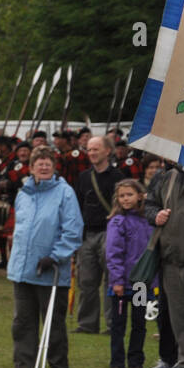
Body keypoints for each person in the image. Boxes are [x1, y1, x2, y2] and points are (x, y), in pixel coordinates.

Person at [7, 146, 83, 368]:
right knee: (23, 321)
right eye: (39, 162)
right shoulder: (23, 194)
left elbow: (73, 230)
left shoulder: (65, 193)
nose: (43, 165)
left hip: (50, 269)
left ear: (54, 166)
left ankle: (58, 365)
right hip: (22, 268)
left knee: (53, 322)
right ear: (31, 167)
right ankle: (24, 364)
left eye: (48, 161)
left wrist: (56, 256)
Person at [146, 164, 184, 368]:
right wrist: (156, 215)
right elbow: (149, 205)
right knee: (179, 319)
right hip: (172, 259)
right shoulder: (166, 177)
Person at [73, 135, 122, 335]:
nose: (91, 153)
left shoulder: (118, 177)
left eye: (96, 149)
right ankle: (87, 324)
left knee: (111, 282)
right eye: (89, 149)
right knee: (86, 282)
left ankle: (113, 325)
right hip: (87, 234)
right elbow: (76, 207)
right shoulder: (83, 177)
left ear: (107, 151)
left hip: (110, 234)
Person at [105, 179, 151, 368]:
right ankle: (117, 363)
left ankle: (135, 362)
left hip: (140, 283)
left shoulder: (146, 221)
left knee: (139, 323)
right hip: (121, 284)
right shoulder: (117, 222)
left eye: (129, 195)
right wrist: (116, 281)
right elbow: (113, 253)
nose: (125, 199)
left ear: (140, 196)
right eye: (122, 196)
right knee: (118, 324)